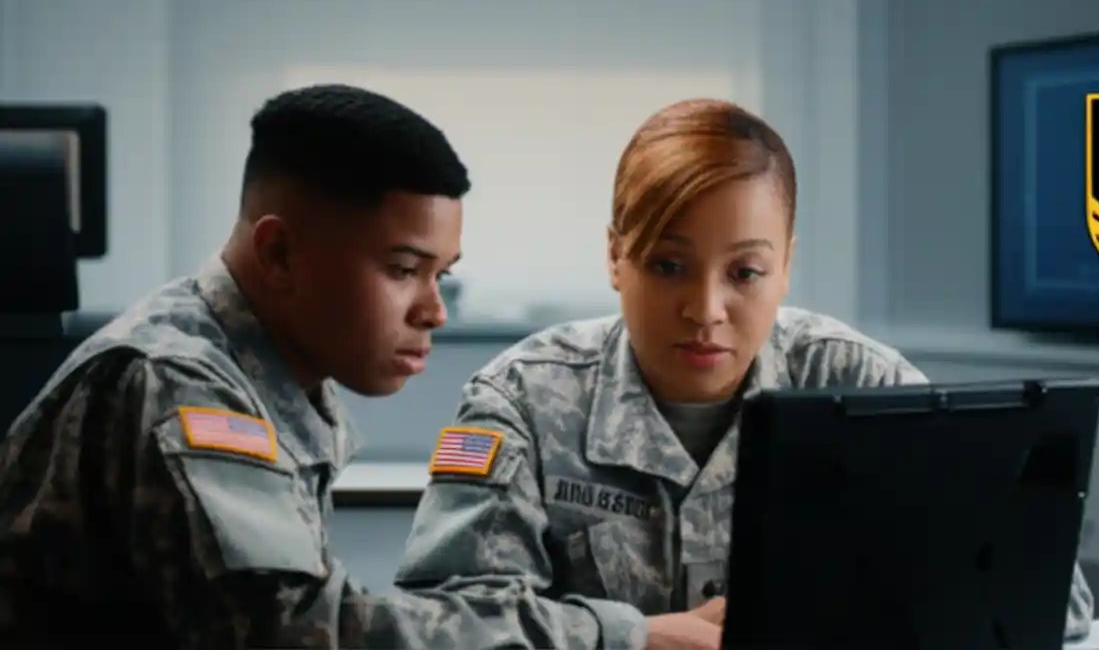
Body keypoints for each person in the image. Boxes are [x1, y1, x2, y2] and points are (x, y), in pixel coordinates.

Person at [0, 84, 716, 649]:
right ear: (280, 254)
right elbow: (301, 635)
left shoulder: (259, 372)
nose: (435, 310)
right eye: (404, 269)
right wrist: (621, 636)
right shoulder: (177, 383)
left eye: (444, 275)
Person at [393, 98, 1096, 649]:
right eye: (668, 265)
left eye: (745, 272)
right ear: (615, 257)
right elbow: (440, 626)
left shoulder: (860, 386)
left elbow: (1049, 606)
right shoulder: (522, 401)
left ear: (785, 265)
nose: (706, 310)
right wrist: (624, 640)